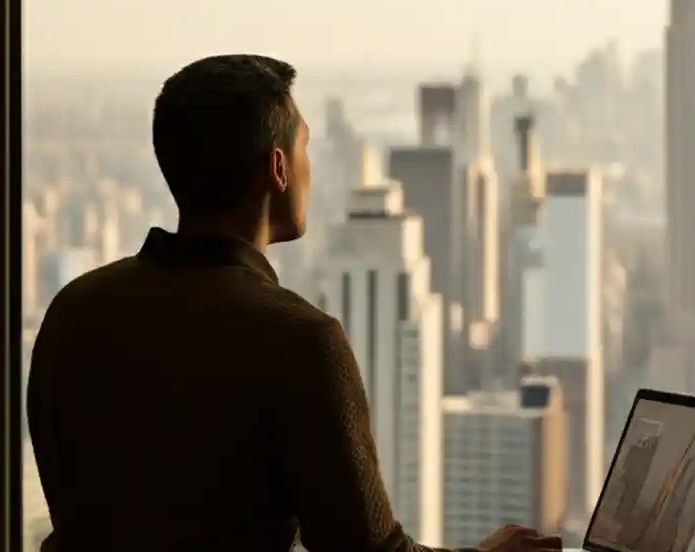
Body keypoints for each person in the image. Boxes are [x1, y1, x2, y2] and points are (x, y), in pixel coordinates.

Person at [27, 55, 562, 552]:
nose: (311, 168)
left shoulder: (74, 312)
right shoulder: (298, 340)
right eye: (305, 149)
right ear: (278, 169)